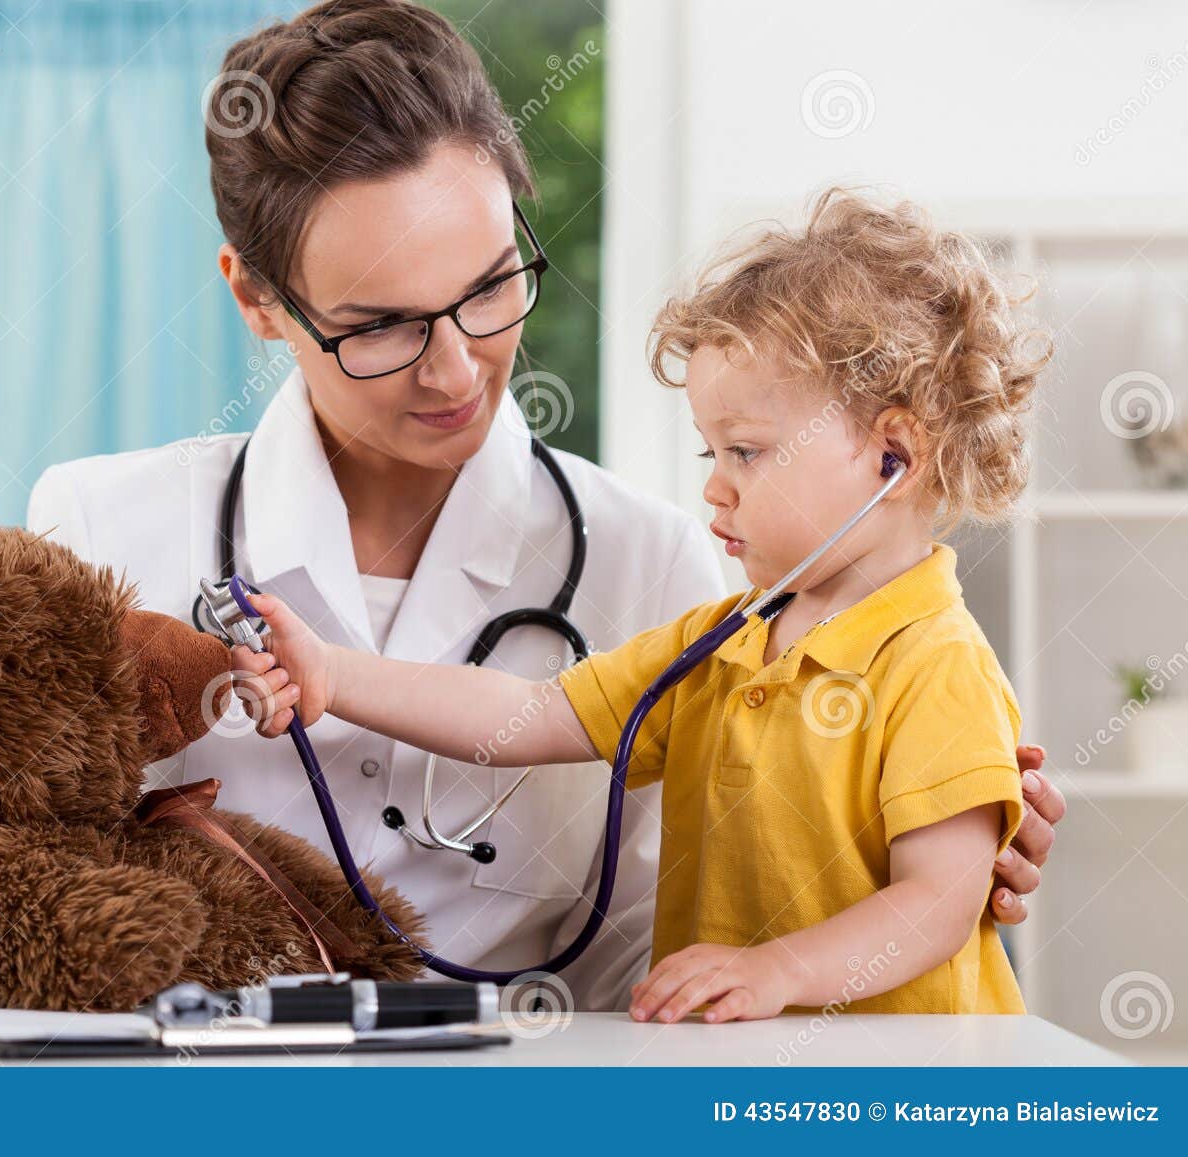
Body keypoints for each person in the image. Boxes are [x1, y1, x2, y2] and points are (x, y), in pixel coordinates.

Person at [0, 0, 1062, 1011]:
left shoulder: (660, 564)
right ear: (258, 298)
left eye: (490, 288)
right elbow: (18, 853)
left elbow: (671, 944)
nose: (454, 369)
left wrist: (895, 848)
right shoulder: (98, 526)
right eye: (381, 324)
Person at [231, 187, 1052, 1020]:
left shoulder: (938, 665)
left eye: (746, 451)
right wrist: (333, 674)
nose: (715, 486)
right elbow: (529, 715)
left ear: (892, 455)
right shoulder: (721, 642)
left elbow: (937, 904)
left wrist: (779, 972)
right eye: (710, 452)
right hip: (738, 1063)